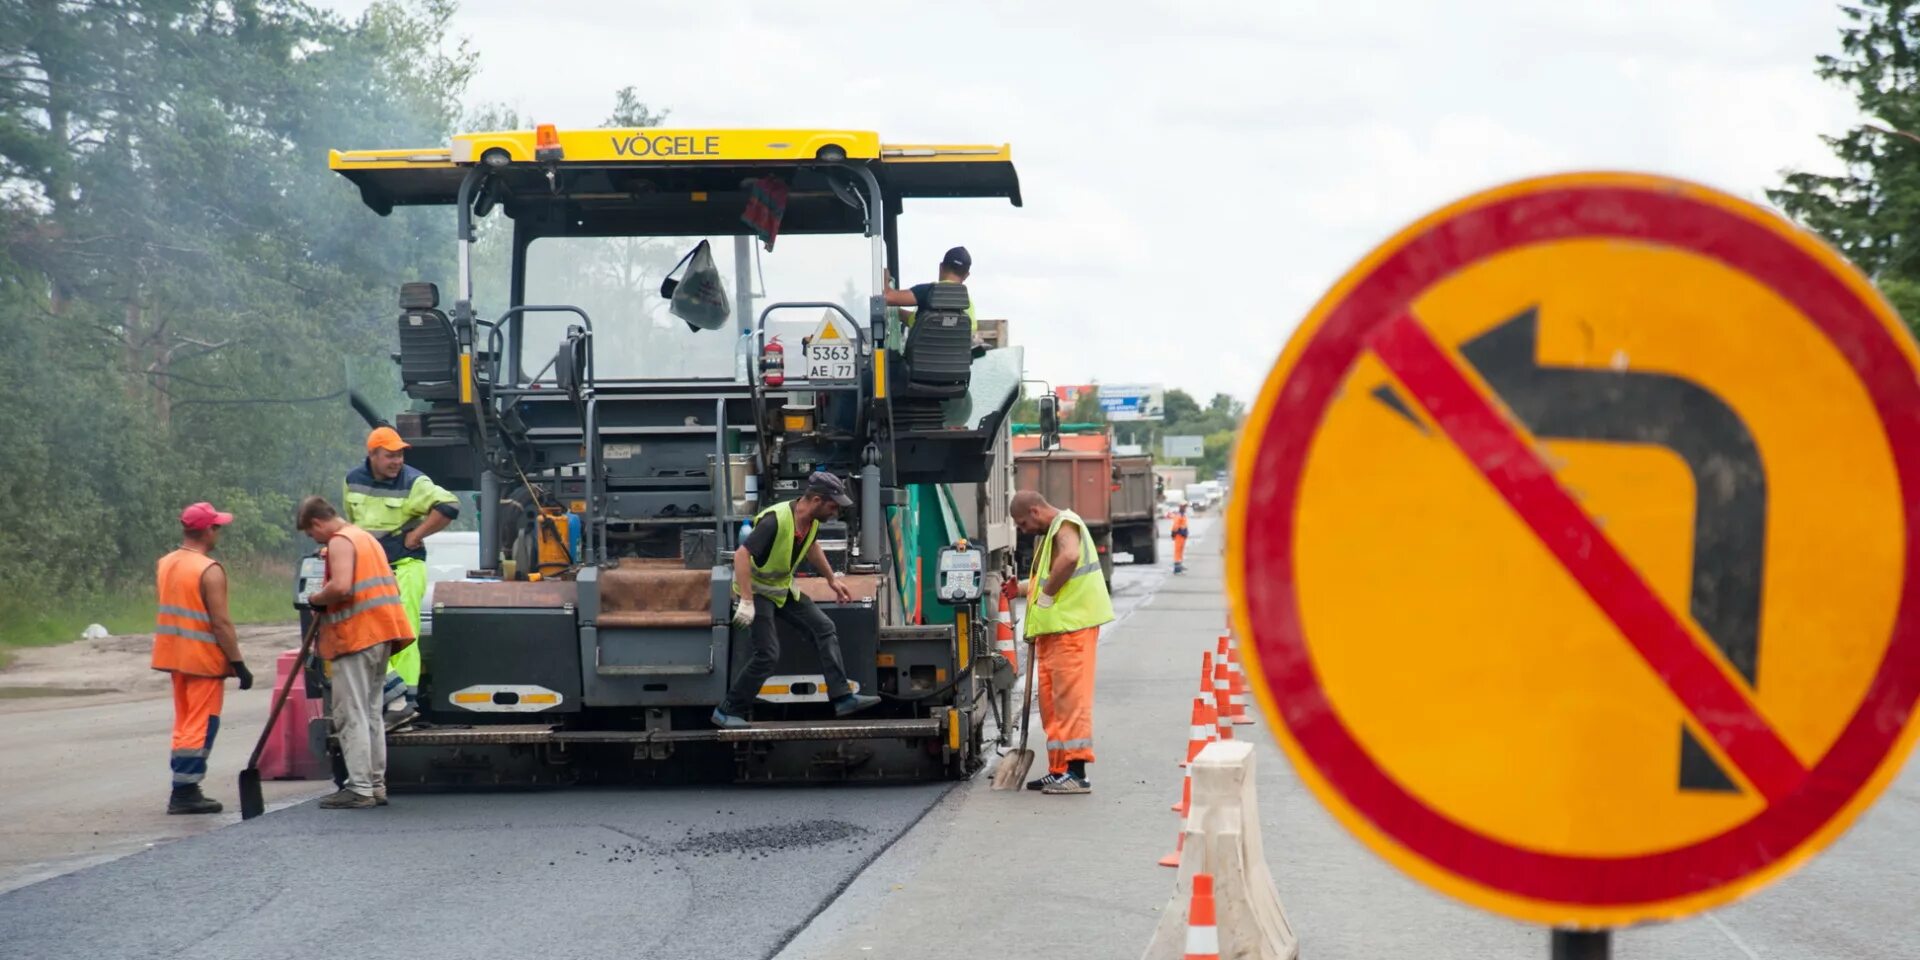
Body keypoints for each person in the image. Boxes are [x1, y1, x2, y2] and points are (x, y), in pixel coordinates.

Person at [712, 472, 883, 728]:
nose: (836, 512)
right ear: (816, 500)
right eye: (833, 506)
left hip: (781, 589)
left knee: (824, 628)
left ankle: (842, 698)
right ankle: (727, 710)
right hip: (758, 592)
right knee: (767, 654)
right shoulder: (775, 520)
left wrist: (831, 580)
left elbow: (812, 547)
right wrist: (746, 600)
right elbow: (741, 556)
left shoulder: (811, 521)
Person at [297, 495, 416, 810]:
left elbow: (341, 587)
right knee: (372, 712)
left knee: (350, 714)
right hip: (381, 634)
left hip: (356, 636)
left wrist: (316, 599)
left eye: (312, 533)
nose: (315, 539)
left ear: (318, 523)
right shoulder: (366, 539)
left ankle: (360, 788)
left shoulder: (340, 541)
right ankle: (376, 785)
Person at [344, 426, 459, 709]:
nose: (397, 461)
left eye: (400, 455)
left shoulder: (414, 481)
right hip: (369, 568)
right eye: (390, 455)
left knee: (403, 627)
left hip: (407, 564)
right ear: (372, 455)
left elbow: (449, 505)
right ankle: (381, 692)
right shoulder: (352, 481)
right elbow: (352, 523)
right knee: (369, 631)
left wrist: (416, 536)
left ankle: (406, 699)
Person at [151, 502, 254, 815]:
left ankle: (183, 786)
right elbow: (220, 623)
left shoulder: (166, 563)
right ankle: (185, 792)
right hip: (203, 661)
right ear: (207, 530)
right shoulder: (208, 569)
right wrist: (238, 663)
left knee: (184, 724)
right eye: (217, 526)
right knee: (201, 725)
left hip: (174, 656)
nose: (219, 531)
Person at [1011, 490, 1115, 795]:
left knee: (1071, 704)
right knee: (1053, 707)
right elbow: (1051, 576)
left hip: (1072, 632)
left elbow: (1069, 558)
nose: (1022, 530)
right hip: (1055, 635)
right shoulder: (1049, 537)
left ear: (1034, 511)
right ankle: (1059, 770)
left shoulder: (1065, 524)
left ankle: (1077, 773)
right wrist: (1018, 588)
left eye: (1021, 523)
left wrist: (1047, 595)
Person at [882, 246, 978, 334]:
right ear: (966, 275)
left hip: (922, 353)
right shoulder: (968, 305)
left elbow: (887, 297)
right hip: (958, 353)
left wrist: (885, 274)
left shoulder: (927, 292)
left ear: (941, 267)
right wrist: (899, 313)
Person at [1170, 502, 1190, 574]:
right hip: (1179, 535)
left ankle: (1179, 566)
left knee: (1180, 551)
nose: (1185, 508)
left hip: (1182, 535)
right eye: (1184, 507)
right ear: (1181, 507)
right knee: (1178, 551)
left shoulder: (1182, 515)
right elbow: (1176, 525)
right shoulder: (1179, 515)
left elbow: (1183, 525)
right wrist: (1173, 533)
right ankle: (1177, 568)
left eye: (1185, 507)